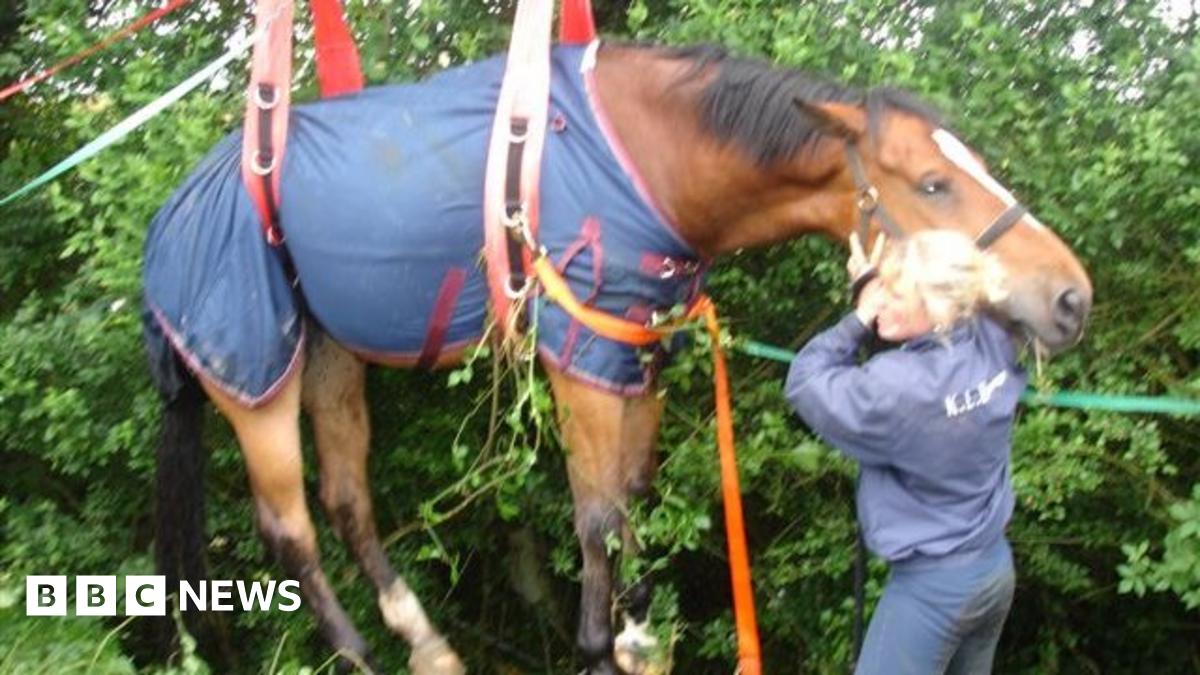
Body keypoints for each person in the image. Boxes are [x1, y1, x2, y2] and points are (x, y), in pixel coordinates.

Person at [785, 229, 1025, 675]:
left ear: (938, 309)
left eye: (896, 293)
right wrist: (873, 284)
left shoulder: (898, 387)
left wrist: (857, 319)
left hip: (933, 593)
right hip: (992, 570)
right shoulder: (993, 337)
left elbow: (805, 381)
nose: (881, 301)